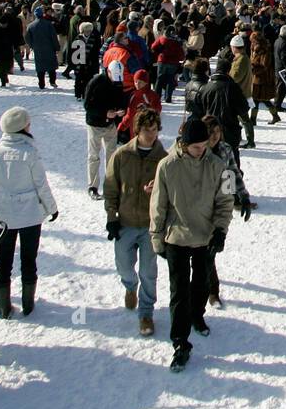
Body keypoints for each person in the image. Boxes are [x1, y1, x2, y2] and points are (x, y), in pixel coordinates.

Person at [150, 117, 235, 373]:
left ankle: (197, 315)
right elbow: (158, 205)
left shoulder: (218, 165)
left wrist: (220, 231)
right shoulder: (167, 166)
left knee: (201, 283)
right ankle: (180, 341)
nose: (201, 150)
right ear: (184, 144)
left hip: (205, 236)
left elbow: (226, 200)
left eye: (204, 146)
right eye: (196, 147)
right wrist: (156, 237)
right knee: (178, 290)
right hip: (176, 236)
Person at [0, 106, 59, 319]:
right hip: (30, 215)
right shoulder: (29, 153)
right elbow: (41, 185)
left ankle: (4, 307)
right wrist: (52, 208)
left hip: (3, 215)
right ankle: (28, 305)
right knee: (28, 260)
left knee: (3, 260)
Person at [104, 107, 167, 336]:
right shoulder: (122, 155)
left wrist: (156, 191)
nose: (151, 134)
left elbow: (171, 193)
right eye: (146, 129)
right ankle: (130, 287)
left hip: (151, 226)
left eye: (154, 129)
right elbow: (111, 187)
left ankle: (146, 313)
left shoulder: (163, 159)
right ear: (137, 130)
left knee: (148, 272)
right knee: (124, 265)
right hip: (126, 222)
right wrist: (112, 216)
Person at [201, 113, 252, 308]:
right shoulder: (197, 150)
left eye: (217, 131)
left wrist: (243, 196)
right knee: (201, 253)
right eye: (210, 132)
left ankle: (213, 291)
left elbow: (232, 174)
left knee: (210, 250)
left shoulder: (225, 149)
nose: (214, 136)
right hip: (197, 205)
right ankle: (206, 290)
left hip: (218, 206)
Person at [84, 59, 128, 199]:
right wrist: (104, 113)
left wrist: (121, 110)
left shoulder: (118, 83)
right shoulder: (96, 82)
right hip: (95, 125)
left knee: (112, 155)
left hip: (110, 125)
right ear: (108, 71)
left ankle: (111, 184)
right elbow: (87, 105)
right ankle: (93, 186)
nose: (116, 80)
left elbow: (121, 100)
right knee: (94, 155)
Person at [195, 56, 248, 159]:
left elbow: (198, 109)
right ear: (228, 71)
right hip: (230, 130)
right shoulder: (232, 87)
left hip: (209, 129)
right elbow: (244, 108)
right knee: (231, 159)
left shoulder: (205, 87)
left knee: (209, 159)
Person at [25, 6, 61, 89]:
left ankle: (41, 83)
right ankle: (52, 81)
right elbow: (54, 37)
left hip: (38, 49)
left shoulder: (30, 26)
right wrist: (57, 47)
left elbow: (27, 38)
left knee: (40, 67)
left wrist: (32, 45)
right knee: (51, 66)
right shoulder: (49, 24)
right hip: (49, 48)